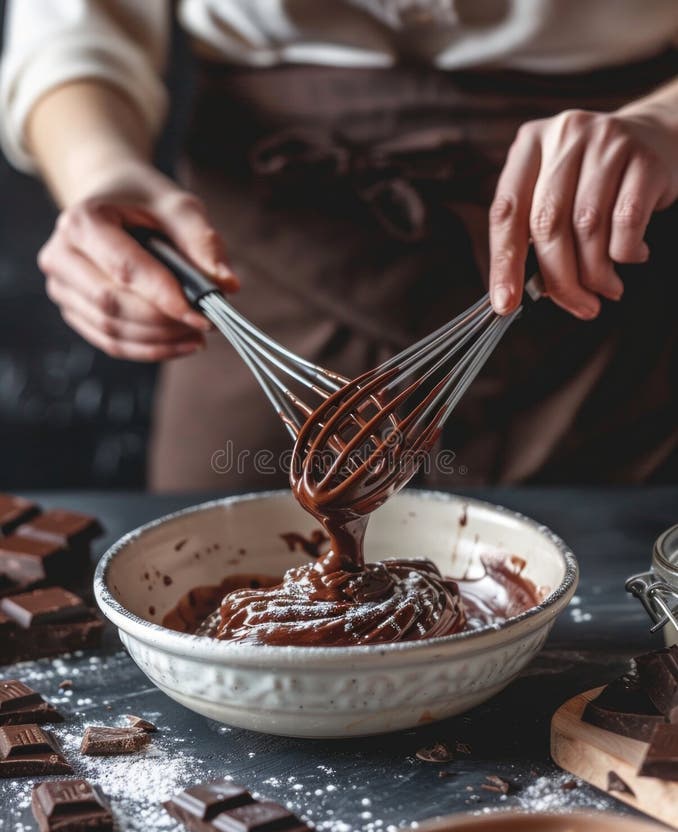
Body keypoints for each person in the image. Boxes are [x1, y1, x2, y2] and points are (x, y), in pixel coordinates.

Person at [1, 1, 677, 491]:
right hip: (261, 269)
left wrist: (665, 120)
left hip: (600, 253)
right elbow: (71, 25)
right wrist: (102, 172)